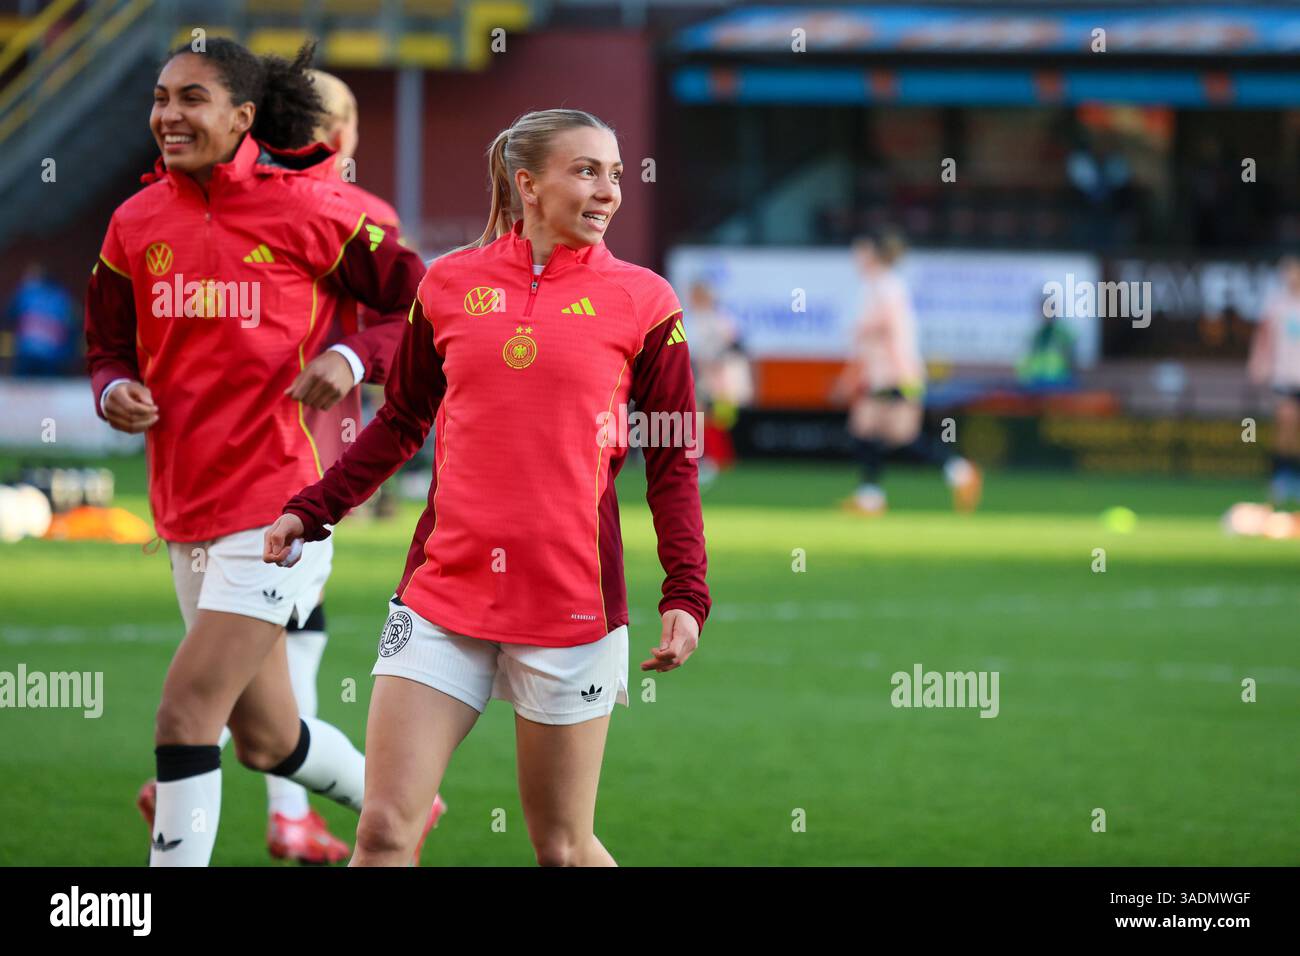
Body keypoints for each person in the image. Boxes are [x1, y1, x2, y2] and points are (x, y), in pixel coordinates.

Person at [264, 108, 711, 866]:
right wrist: (314, 509)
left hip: (572, 603)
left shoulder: (647, 302)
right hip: (443, 594)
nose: (608, 191)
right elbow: (401, 421)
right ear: (528, 183)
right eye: (586, 171)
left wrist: (685, 592)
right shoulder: (446, 285)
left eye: (614, 174)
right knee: (381, 831)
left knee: (562, 848)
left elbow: (673, 457)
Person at [85, 38, 438, 866]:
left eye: (192, 98)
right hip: (182, 503)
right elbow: (106, 344)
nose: (169, 114)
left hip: (281, 503)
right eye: (161, 96)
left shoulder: (311, 209)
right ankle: (401, 812)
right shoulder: (134, 222)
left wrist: (353, 359)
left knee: (183, 715)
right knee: (268, 737)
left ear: (243, 117)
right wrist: (112, 389)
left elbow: (421, 305)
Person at [833, 231, 981, 515]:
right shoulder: (881, 286)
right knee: (871, 430)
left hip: (896, 374)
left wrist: (851, 375)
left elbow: (880, 332)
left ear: (874, 255)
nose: (856, 258)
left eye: (860, 251)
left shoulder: (885, 288)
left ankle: (959, 472)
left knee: (891, 434)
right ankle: (872, 497)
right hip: (886, 373)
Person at [1247, 255, 1300, 505]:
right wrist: (1258, 363)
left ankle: (1293, 477)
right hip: (1285, 375)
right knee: (1286, 424)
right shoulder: (1277, 305)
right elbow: (1264, 337)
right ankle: (1280, 478)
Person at [5, 263, 76, 376]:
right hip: (43, 356)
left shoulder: (27, 293)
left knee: (25, 389)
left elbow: (8, 314)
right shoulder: (61, 296)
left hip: (40, 357)